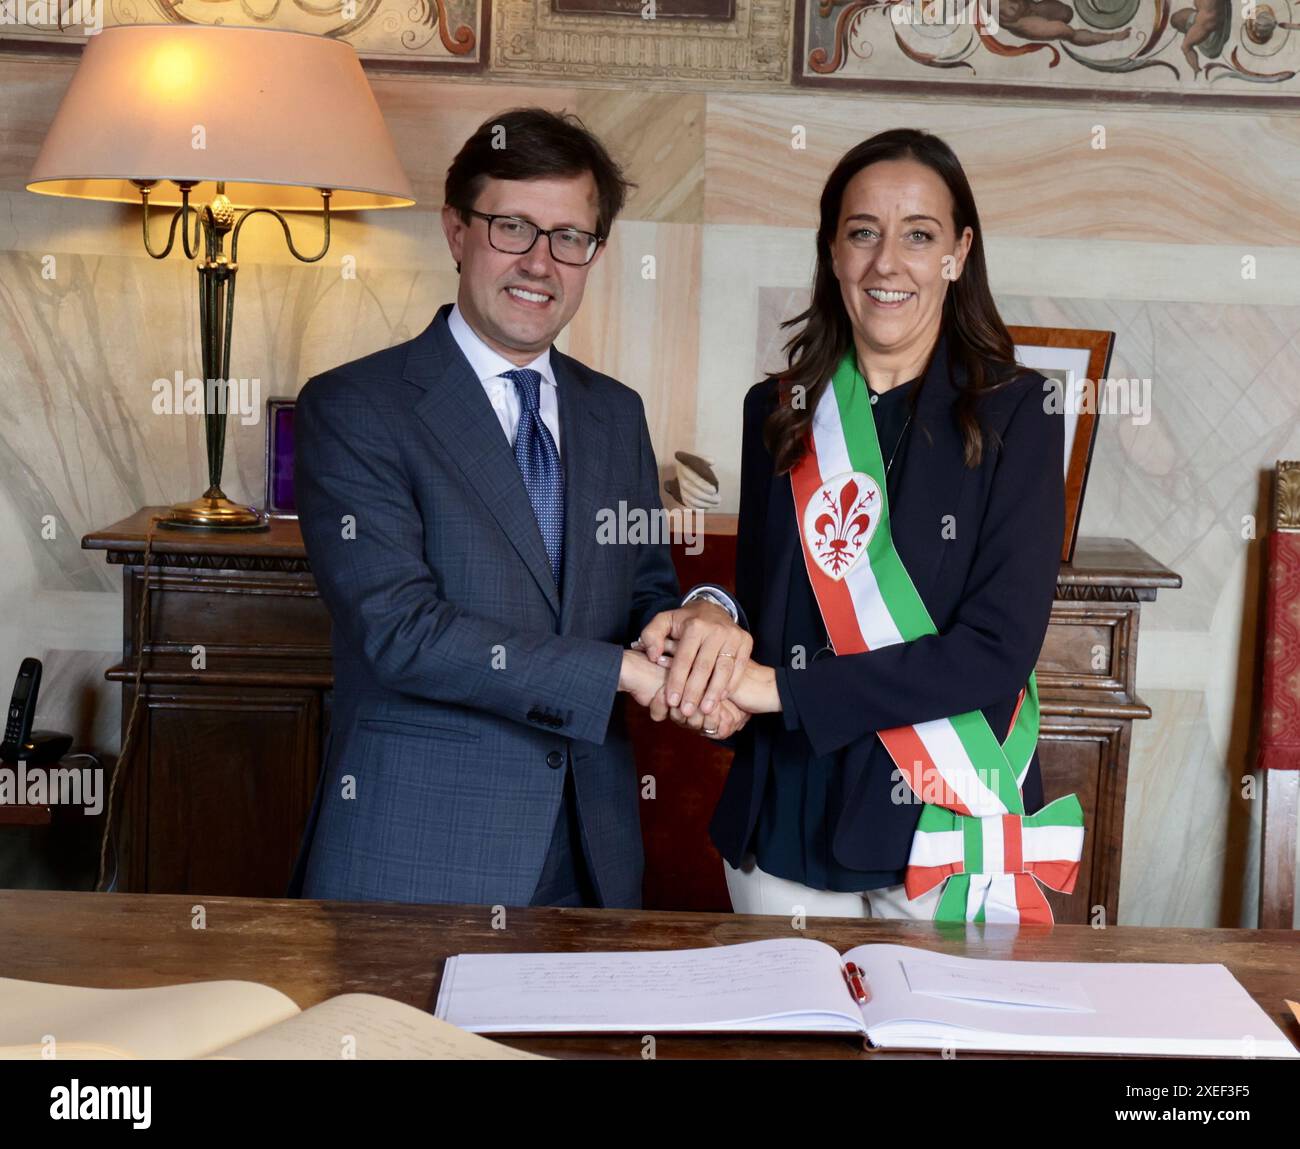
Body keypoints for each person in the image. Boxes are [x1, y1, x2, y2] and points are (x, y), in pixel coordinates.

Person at [288, 107, 749, 909]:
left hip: (593, 855)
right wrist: (625, 672)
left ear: (594, 254)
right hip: (422, 856)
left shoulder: (615, 413)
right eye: (513, 228)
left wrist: (698, 617)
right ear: (457, 231)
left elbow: (644, 587)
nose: (541, 262)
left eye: (570, 238)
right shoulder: (356, 406)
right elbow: (402, 632)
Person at [676, 128, 1073, 922]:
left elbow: (995, 651)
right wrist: (712, 620)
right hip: (784, 822)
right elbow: (764, 599)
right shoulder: (778, 410)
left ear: (958, 253)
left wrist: (780, 688)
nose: (887, 262)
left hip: (941, 825)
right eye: (863, 233)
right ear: (832, 252)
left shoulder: (1020, 413)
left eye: (918, 236)